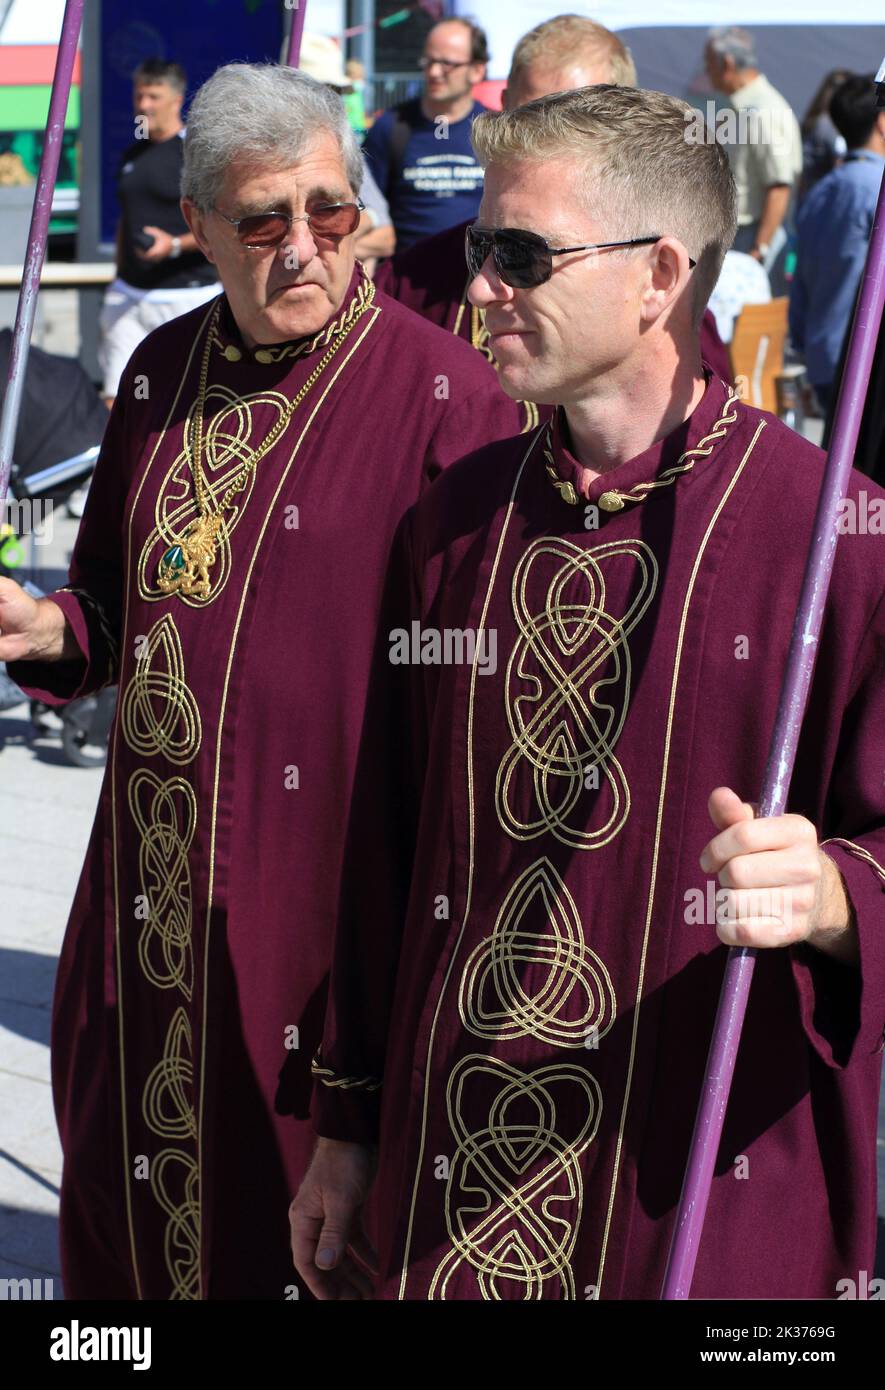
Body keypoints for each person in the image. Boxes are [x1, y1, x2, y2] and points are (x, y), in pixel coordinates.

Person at [292, 84, 885, 1301]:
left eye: (519, 255)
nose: (478, 287)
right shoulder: (452, 521)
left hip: (691, 1191)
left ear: (659, 275)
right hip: (453, 1183)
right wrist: (346, 1131)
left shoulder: (837, 534)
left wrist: (832, 893)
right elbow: (383, 850)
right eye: (473, 250)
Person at [0, 62, 523, 1301]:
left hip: (328, 922)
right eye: (265, 222)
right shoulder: (155, 375)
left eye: (330, 212)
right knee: (122, 1268)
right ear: (201, 229)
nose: (306, 247)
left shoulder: (453, 400)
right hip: (145, 919)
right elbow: (114, 614)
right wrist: (39, 629)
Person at [375, 15, 732, 392]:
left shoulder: (665, 301)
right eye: (532, 120)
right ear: (502, 110)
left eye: (579, 127)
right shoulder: (416, 281)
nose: (484, 289)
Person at [99, 59, 220, 405]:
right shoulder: (133, 153)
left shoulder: (194, 156)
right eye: (139, 96)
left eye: (153, 96)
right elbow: (127, 219)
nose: (144, 105)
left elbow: (220, 223)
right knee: (119, 400)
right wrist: (117, 277)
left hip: (186, 298)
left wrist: (174, 246)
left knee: (185, 401)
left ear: (176, 99)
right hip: (128, 297)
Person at [790, 74, 885, 415]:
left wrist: (803, 344)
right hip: (866, 363)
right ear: (882, 121)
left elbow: (801, 276)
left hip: (825, 358)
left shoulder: (821, 190)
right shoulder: (877, 189)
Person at [361, 16, 490, 250]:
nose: (434, 72)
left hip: (479, 277)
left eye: (447, 63)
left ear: (477, 70)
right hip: (405, 278)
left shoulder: (494, 130)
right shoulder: (391, 127)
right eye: (428, 61)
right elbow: (366, 206)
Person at [703, 27, 801, 278]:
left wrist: (760, 249)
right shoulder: (745, 107)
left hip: (753, 237)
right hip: (745, 235)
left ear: (727, 63)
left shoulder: (762, 111)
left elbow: (779, 186)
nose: (706, 72)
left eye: (708, 64)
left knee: (750, 316)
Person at [297, 33, 395, 270]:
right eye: (324, 91)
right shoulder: (264, 159)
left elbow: (386, 239)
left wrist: (328, 243)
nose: (333, 102)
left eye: (336, 92)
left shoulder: (345, 151)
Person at [798, 69, 850, 200]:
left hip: (807, 195)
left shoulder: (814, 121)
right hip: (821, 197)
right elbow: (840, 163)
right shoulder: (828, 126)